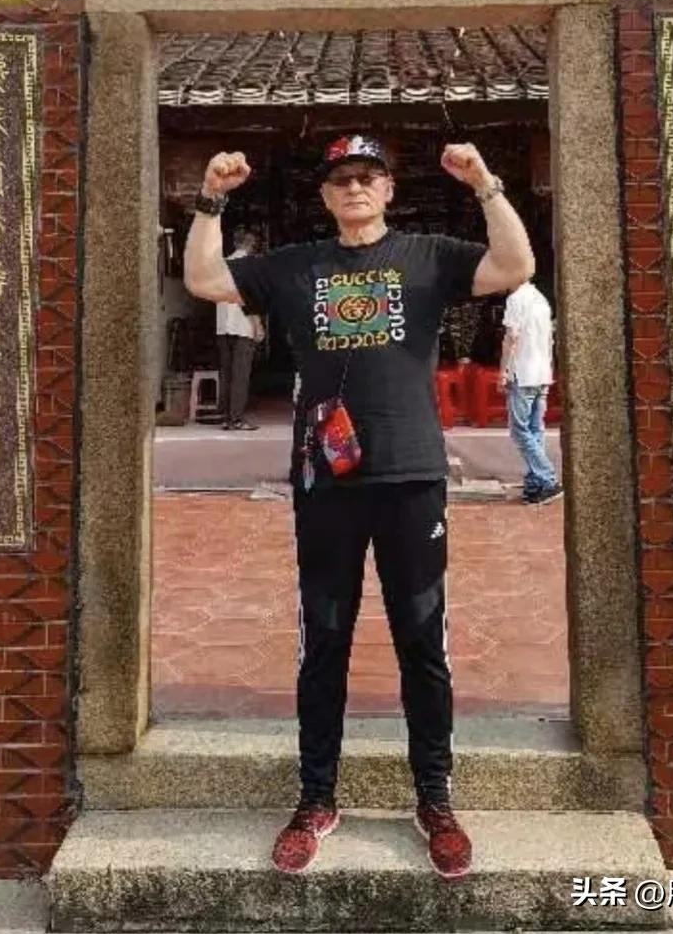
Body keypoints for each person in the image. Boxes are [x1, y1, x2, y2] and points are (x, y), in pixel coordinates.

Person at [184, 134, 534, 881]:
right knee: (327, 639)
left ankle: (434, 799)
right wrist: (212, 197)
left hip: (411, 476)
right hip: (326, 479)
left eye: (367, 176)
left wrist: (484, 183)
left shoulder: (428, 255)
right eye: (342, 178)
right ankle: (316, 799)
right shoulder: (295, 265)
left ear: (388, 189)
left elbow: (516, 265)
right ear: (325, 194)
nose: (354, 188)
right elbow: (205, 277)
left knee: (421, 637)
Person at [498, 280, 561, 505]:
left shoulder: (515, 300)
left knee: (519, 430)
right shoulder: (541, 300)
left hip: (523, 373)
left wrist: (504, 371)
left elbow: (511, 339)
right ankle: (535, 484)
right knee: (535, 430)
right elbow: (550, 340)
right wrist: (551, 368)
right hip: (542, 372)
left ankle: (547, 477)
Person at [215, 228, 263, 431]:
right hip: (242, 326)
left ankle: (226, 416)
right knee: (240, 374)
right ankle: (236, 419)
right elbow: (248, 299)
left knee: (226, 372)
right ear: (251, 244)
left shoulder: (221, 265)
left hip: (223, 325)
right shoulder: (249, 265)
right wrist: (258, 325)